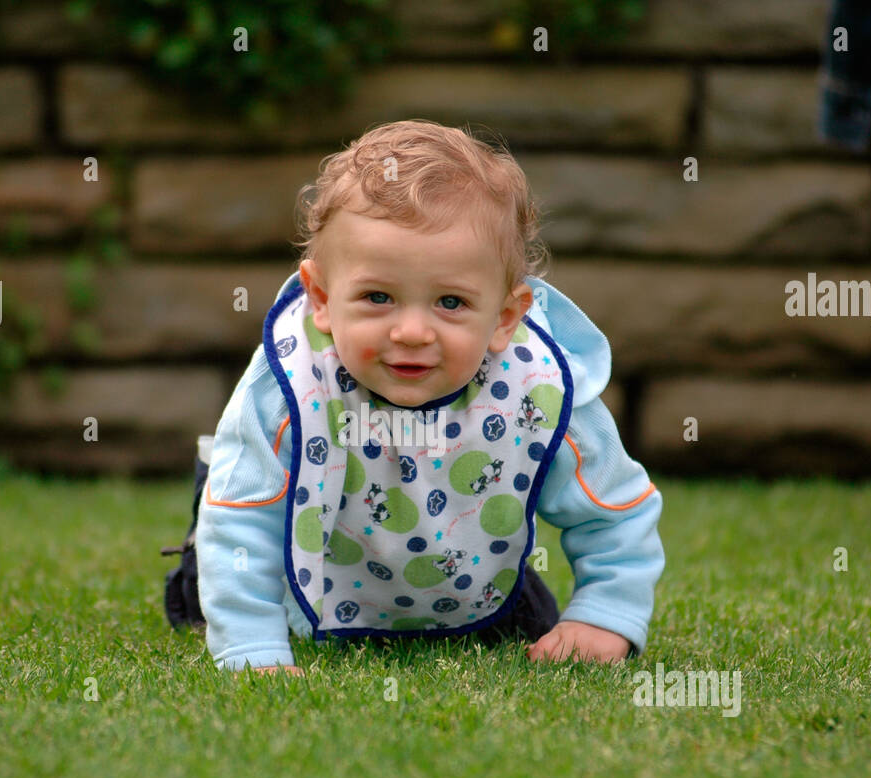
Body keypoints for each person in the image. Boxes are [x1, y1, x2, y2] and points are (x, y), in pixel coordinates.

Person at [168, 119, 664, 674]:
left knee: (529, 607)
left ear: (504, 318)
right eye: (378, 296)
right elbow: (242, 520)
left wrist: (603, 615)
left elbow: (616, 510)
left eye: (451, 302)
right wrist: (252, 646)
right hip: (301, 585)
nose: (411, 332)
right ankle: (211, 498)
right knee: (229, 504)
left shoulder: (537, 392)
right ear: (322, 299)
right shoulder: (291, 389)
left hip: (476, 590)